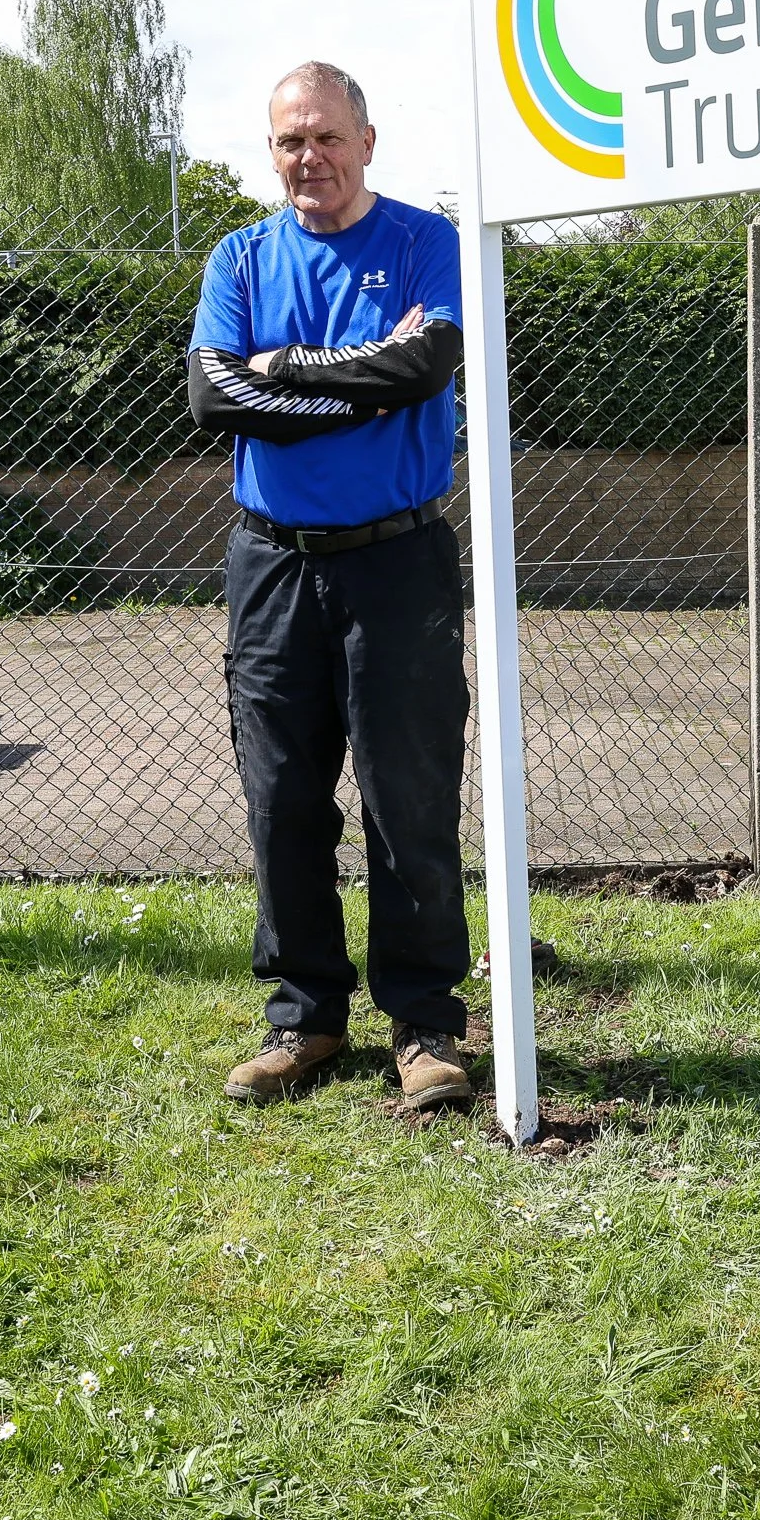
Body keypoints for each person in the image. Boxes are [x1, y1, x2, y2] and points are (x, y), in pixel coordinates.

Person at [187, 61, 473, 1113]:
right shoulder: (240, 255)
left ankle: (425, 1022)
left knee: (409, 795)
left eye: (326, 137)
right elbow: (213, 399)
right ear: (272, 152)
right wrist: (352, 376)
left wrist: (287, 369)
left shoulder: (421, 241)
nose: (308, 158)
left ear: (367, 137)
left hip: (397, 559)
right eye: (288, 141)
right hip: (269, 561)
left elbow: (424, 366)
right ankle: (303, 1019)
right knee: (282, 797)